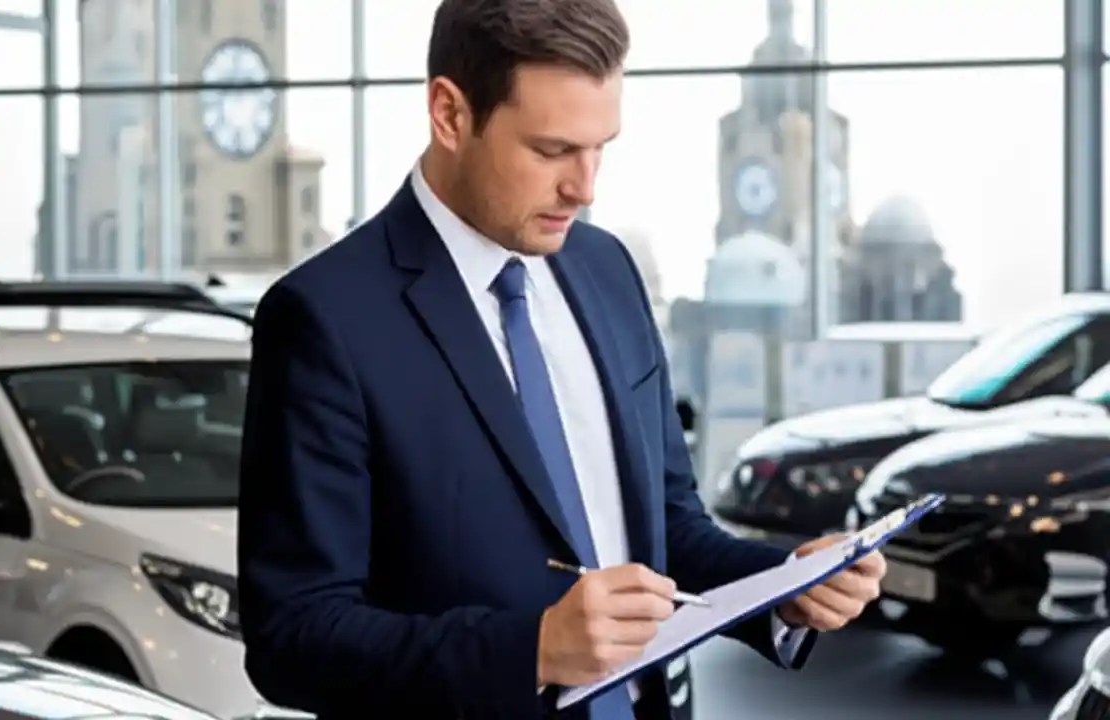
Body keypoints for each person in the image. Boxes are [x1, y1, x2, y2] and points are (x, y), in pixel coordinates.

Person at [237, 1, 886, 718]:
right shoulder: (327, 317)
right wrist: (533, 647)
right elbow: (292, 638)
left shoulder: (607, 270)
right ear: (450, 115)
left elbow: (665, 528)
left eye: (601, 146)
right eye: (551, 151)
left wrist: (784, 585)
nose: (585, 186)